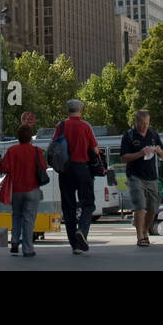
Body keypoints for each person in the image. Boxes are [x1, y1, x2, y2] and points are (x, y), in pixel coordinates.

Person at [54, 99, 101, 254]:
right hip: (83, 168)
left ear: (68, 111)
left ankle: (75, 245)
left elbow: (55, 147)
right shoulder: (85, 126)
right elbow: (94, 149)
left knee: (68, 207)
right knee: (88, 203)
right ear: (81, 110)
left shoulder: (60, 126)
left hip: (65, 170)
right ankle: (82, 230)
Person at [0, 125, 45, 257]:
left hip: (16, 190)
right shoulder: (36, 151)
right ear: (30, 137)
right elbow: (43, 167)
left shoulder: (12, 150)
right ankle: (27, 249)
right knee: (28, 219)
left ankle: (14, 241)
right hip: (32, 189)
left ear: (18, 137)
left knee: (16, 215)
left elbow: (2, 168)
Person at [120, 109, 163, 246]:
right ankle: (140, 236)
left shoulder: (153, 134)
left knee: (153, 208)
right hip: (135, 176)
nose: (144, 126)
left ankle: (145, 231)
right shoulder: (129, 136)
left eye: (147, 123)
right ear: (136, 122)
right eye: (142, 123)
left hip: (151, 176)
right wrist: (140, 153)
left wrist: (158, 151)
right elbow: (124, 157)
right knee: (140, 205)